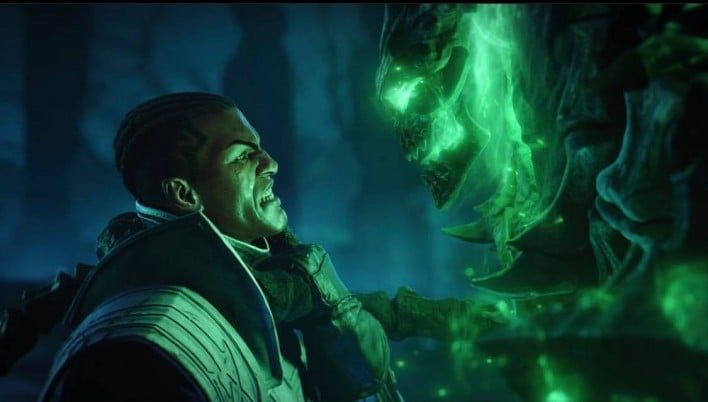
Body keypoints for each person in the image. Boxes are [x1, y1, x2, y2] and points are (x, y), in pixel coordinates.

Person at [37, 92, 403, 402]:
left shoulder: (256, 295)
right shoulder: (139, 354)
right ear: (184, 195)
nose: (271, 164)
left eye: (259, 149)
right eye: (243, 156)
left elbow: (356, 382)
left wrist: (329, 308)